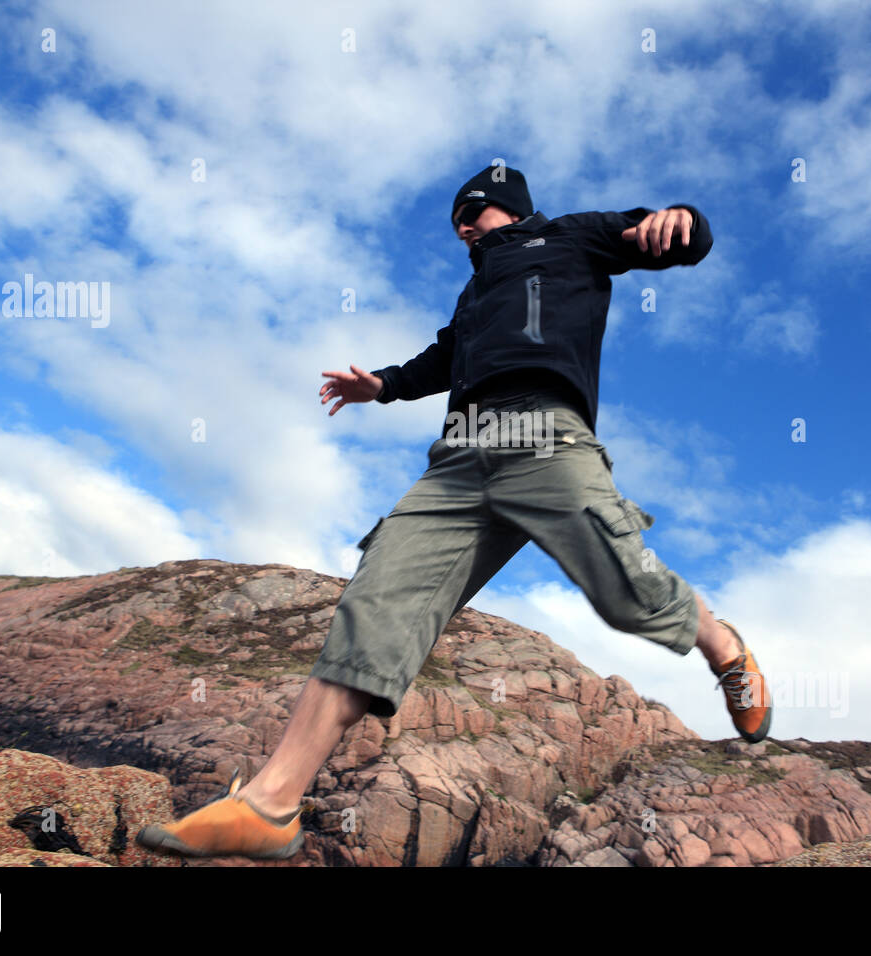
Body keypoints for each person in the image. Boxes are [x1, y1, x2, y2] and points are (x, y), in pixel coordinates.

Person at [136, 165, 772, 861]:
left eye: (472, 213)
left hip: (545, 435)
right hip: (458, 460)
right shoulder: (476, 292)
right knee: (375, 605)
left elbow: (672, 238)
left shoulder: (571, 237)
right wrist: (381, 385)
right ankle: (269, 805)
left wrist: (681, 219)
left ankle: (724, 649)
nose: (462, 228)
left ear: (508, 207)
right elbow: (442, 358)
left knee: (626, 590)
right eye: (456, 223)